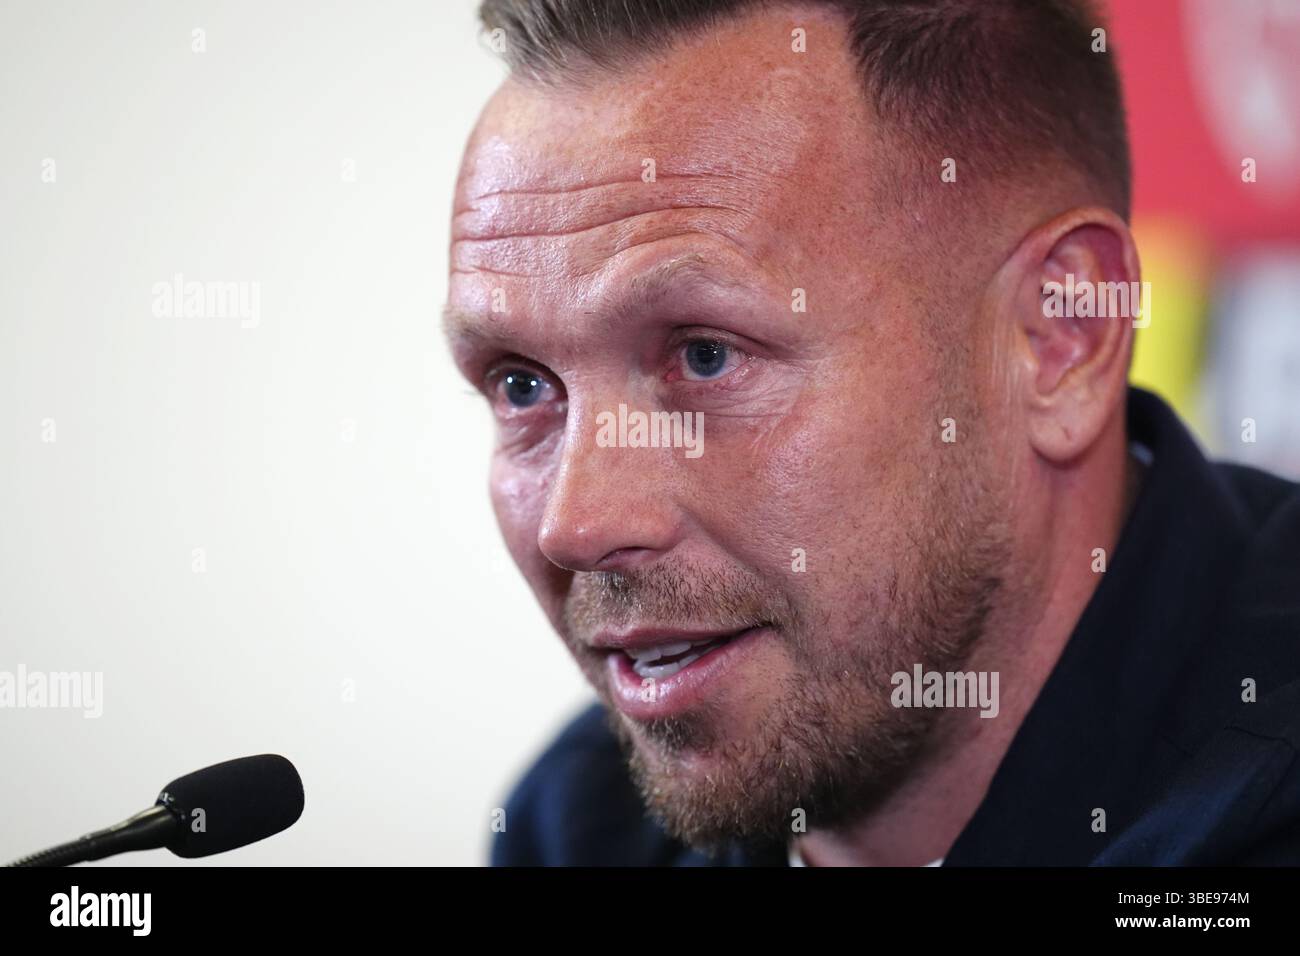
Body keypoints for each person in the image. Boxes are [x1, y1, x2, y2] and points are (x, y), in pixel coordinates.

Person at [442, 0, 1300, 865]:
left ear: (1059, 336)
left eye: (705, 358)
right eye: (523, 386)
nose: (576, 524)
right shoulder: (577, 826)